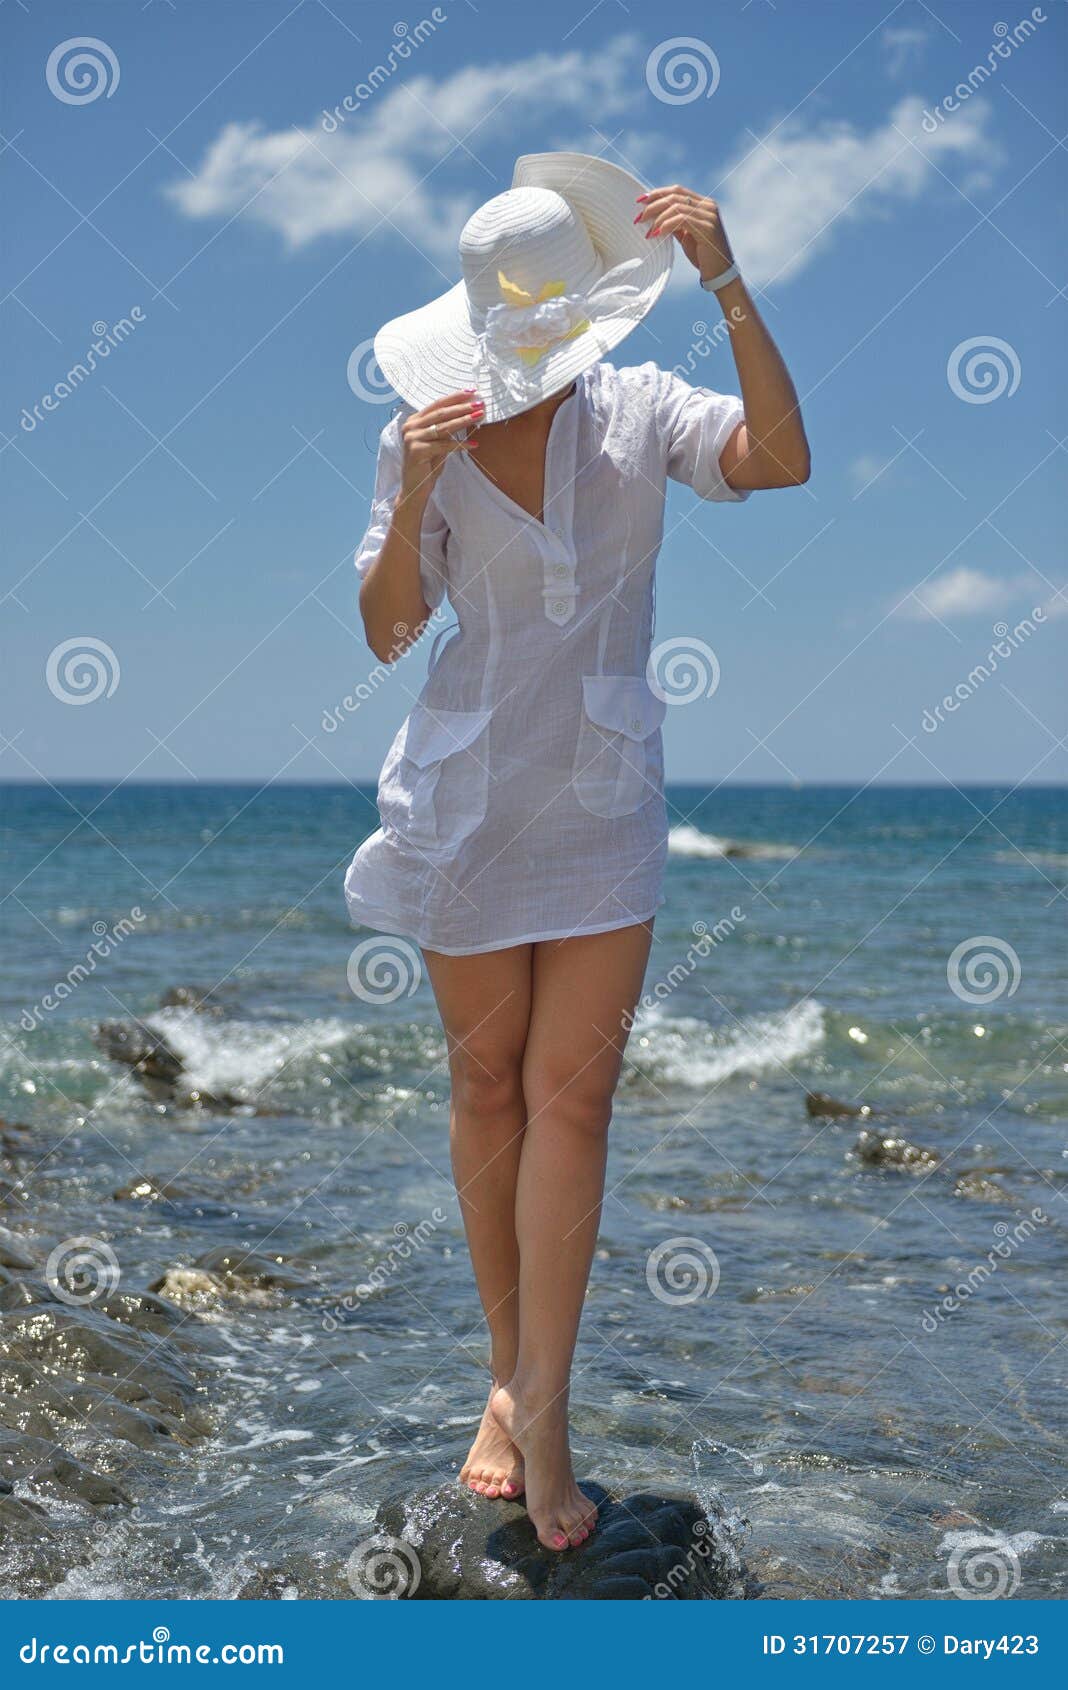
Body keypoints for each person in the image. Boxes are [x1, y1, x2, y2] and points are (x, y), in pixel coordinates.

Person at [345, 152, 809, 1552]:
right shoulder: (422, 428)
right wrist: (417, 480)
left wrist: (728, 281)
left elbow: (779, 458)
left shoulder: (643, 410)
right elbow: (384, 628)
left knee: (576, 1101)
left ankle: (546, 1403)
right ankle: (504, 1373)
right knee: (487, 1083)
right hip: (467, 802)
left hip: (605, 803)